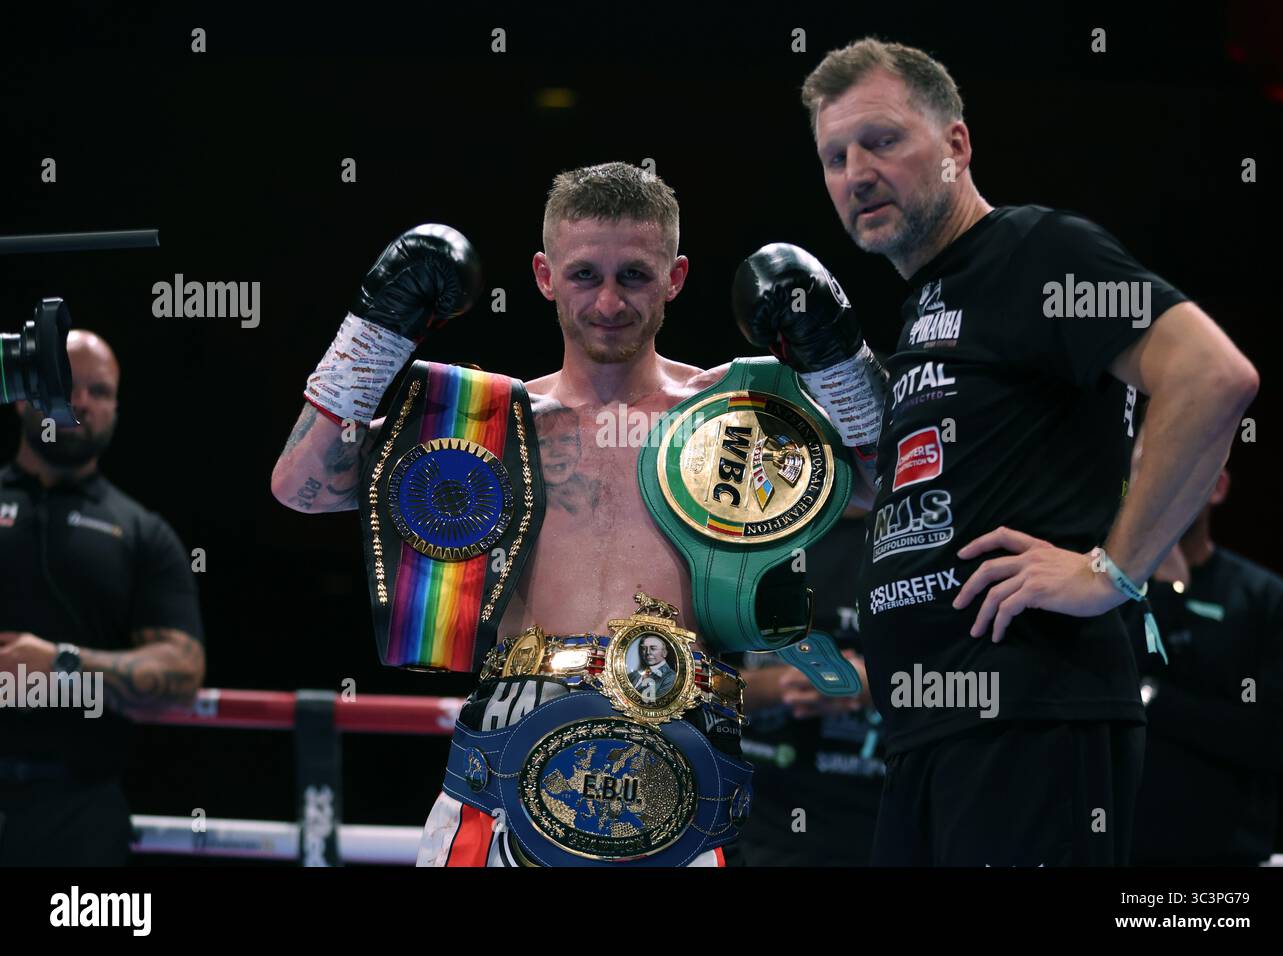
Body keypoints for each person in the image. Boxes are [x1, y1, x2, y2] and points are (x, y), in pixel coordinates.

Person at [271, 161, 884, 866]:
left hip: (682, 786)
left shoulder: (738, 423)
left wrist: (836, 357)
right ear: (544, 275)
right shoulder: (488, 426)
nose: (609, 302)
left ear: (675, 279)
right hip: (502, 785)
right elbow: (303, 485)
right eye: (585, 274)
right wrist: (375, 334)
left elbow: (887, 481)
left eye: (635, 276)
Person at [788, 37, 1258, 865]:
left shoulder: (1038, 252)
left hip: (1032, 720)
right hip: (925, 735)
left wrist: (1109, 571)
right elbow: (913, 505)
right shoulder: (928, 305)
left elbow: (1212, 375)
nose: (856, 172)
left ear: (956, 146)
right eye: (835, 156)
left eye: (883, 140)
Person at [0, 330, 206, 866]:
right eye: (66, 384)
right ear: (23, 389)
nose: (82, 403)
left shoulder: (142, 534)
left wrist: (62, 665)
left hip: (77, 814)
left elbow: (181, 670)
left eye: (101, 391)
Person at [1128, 462, 1283, 865]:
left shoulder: (1269, 600)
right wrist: (1163, 588)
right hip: (1118, 847)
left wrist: (1153, 697)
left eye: (1173, 462)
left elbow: (1270, 738)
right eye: (1141, 469)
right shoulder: (1098, 591)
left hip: (1227, 853)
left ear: (1217, 486)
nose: (1153, 485)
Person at [734, 514, 883, 866]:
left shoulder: (901, 535)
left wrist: (869, 686)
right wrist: (776, 686)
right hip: (755, 814)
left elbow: (961, 683)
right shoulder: (754, 535)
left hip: (870, 818)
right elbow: (688, 679)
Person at [630, 635, 675, 703]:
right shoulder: (633, 675)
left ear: (664, 652)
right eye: (644, 648)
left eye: (653, 648)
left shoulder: (671, 677)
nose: (647, 652)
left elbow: (656, 705)